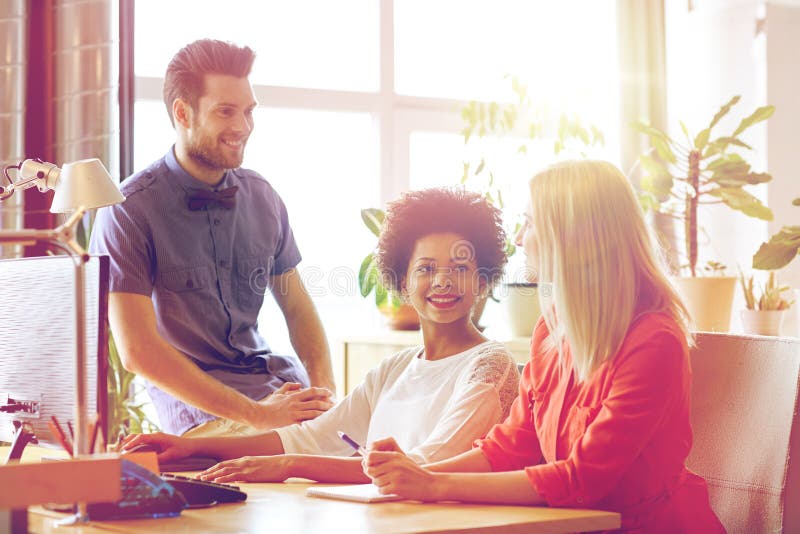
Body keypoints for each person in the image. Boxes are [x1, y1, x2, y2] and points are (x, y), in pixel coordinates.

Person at [362, 161, 725, 532]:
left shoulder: (654, 342)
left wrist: (432, 485)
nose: (519, 239)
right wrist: (416, 475)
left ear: (574, 238)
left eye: (530, 223)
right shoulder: (550, 332)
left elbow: (581, 478)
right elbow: (509, 449)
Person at [121, 187, 520, 484]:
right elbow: (311, 437)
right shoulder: (394, 369)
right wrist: (192, 446)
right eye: (427, 269)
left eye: (460, 268)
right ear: (401, 281)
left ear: (483, 280)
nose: (443, 281)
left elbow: (422, 465)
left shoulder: (490, 366)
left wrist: (289, 466)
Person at [90, 39, 335, 438]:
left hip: (280, 391)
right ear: (182, 113)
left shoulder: (264, 198)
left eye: (248, 111)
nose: (242, 127)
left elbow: (298, 309)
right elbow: (137, 351)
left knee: (385, 440)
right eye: (225, 111)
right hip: (205, 416)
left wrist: (326, 396)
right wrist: (258, 416)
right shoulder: (128, 210)